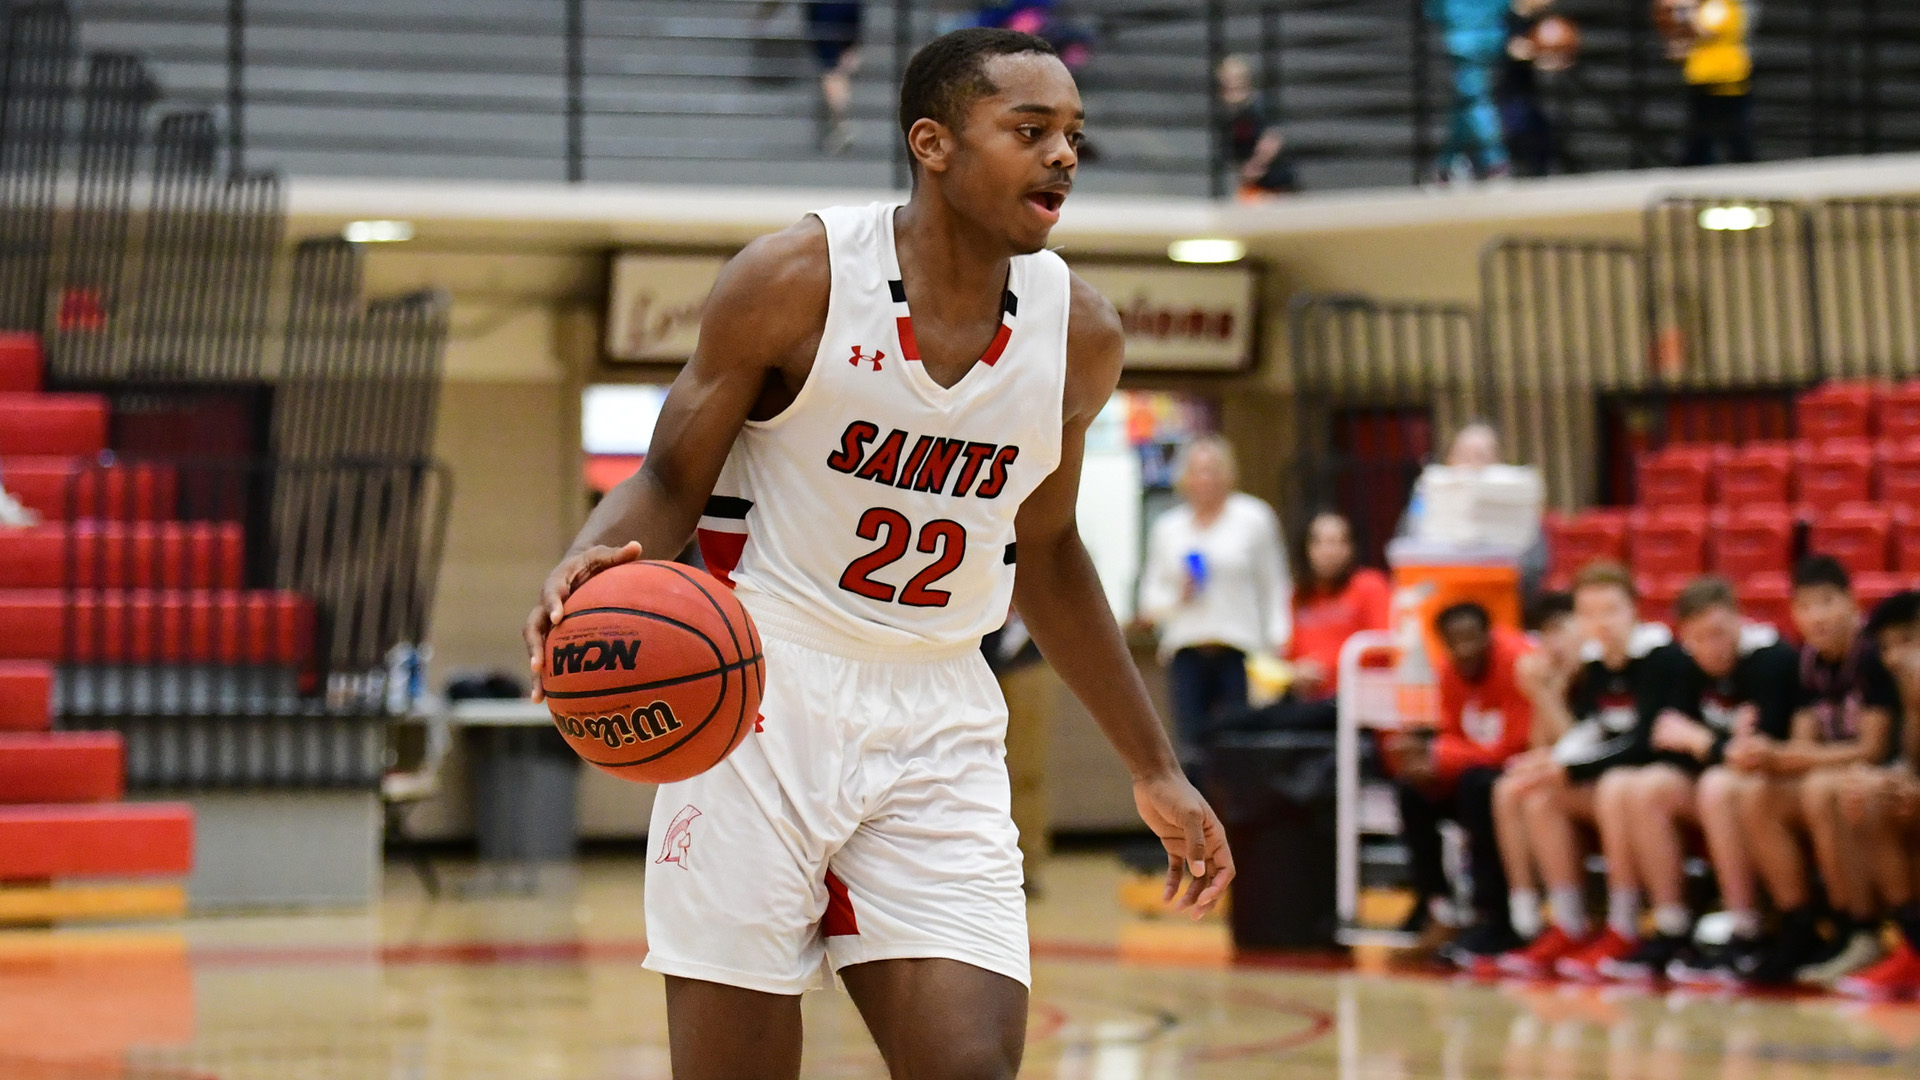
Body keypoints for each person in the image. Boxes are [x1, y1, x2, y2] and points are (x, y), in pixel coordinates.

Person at [520, 29, 1233, 1079]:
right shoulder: (797, 278)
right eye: (1029, 131)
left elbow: (1047, 547)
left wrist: (1154, 765)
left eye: (1074, 135)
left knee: (967, 1065)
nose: (1063, 156)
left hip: (940, 707)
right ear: (932, 143)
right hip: (757, 696)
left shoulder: (1078, 333)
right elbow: (670, 478)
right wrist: (588, 562)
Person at [1587, 576, 1797, 983]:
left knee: (1719, 786)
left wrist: (1703, 741)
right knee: (1638, 786)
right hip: (1716, 780)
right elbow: (1665, 739)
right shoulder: (1686, 667)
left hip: (1772, 782)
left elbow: (1757, 750)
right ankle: (1670, 924)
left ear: (1740, 620)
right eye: (1700, 638)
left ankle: (1746, 928)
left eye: (1720, 633)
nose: (1712, 646)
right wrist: (1714, 745)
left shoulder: (1771, 659)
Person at [1490, 562, 1692, 979]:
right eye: (1589, 613)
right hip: (1617, 776)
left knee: (1615, 788)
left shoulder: (1662, 657)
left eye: (1611, 610)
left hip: (1667, 776)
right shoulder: (1597, 664)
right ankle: (1565, 922)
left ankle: (1629, 923)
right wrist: (1553, 761)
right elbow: (1589, 730)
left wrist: (1569, 766)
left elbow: (1643, 741)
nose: (1600, 622)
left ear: (1634, 609)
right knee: (1536, 792)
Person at [1726, 557, 1899, 986]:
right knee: (1755, 793)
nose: (1816, 616)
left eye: (1826, 603)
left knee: (1822, 790)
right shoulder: (1808, 663)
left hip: (1883, 772)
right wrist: (1769, 755)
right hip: (1836, 771)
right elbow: (1804, 746)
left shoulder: (1872, 654)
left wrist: (1792, 757)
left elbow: (1873, 749)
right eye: (1804, 607)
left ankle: (1860, 927)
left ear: (1851, 602)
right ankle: (1799, 923)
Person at [1387, 601, 1535, 949]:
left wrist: (1441, 755)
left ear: (1489, 635)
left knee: (1476, 786)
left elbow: (1513, 746)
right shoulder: (1449, 671)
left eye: (1472, 638)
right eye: (1454, 642)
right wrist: (1427, 762)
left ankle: (1492, 914)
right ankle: (1437, 904)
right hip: (1475, 773)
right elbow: (1452, 734)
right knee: (1412, 791)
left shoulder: (1517, 664)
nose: (1464, 649)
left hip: (1518, 777)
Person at [1138, 436, 1290, 760]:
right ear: (1185, 477)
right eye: (1198, 471)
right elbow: (1151, 600)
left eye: (1213, 470)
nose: (1205, 478)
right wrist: (1180, 594)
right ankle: (1195, 812)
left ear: (1228, 474)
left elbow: (1274, 585)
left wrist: (1279, 644)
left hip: (1240, 651)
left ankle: (1238, 812)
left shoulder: (1253, 518)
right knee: (1192, 749)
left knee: (1240, 747)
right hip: (1187, 650)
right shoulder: (1168, 528)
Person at [1468, 590, 1582, 972]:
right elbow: (1542, 744)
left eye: (1561, 631)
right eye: (1545, 635)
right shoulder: (1557, 675)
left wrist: (1542, 694)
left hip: (1598, 778)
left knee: (1535, 797)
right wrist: (1544, 690)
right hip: (1572, 774)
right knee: (1506, 788)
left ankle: (1570, 921)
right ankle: (1525, 918)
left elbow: (1574, 746)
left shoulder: (1597, 671)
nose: (1553, 644)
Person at [1836, 591, 1920, 1001]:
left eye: (1907, 641)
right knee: (1865, 800)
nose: (1894, 656)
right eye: (1886, 647)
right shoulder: (1906, 687)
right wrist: (1890, 781)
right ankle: (1915, 945)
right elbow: (1910, 763)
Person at [1285, 510, 1392, 708]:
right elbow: (1288, 654)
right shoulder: (1298, 596)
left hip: (1355, 700)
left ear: (1350, 548)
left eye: (1336, 542)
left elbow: (1383, 647)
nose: (1328, 551)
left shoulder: (1370, 585)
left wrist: (1329, 670)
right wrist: (1295, 673)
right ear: (1306, 549)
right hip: (1306, 702)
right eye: (1319, 543)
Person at [1424, 0, 1513, 181]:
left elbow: (1433, 10)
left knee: (1474, 101)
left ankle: (1495, 161)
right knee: (1467, 102)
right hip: (1490, 37)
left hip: (1462, 41)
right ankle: (1445, 165)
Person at [1677, 0, 1754, 166]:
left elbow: (1708, 31)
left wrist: (1690, 15)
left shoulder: (1718, 5)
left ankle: (1742, 161)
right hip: (1710, 76)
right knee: (1703, 125)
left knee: (1729, 125)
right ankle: (1695, 162)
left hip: (1720, 76)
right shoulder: (1713, 5)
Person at [1215, 55, 1298, 200]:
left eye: (1236, 80)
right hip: (1253, 187)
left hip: (1276, 185)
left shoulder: (1259, 108)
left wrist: (1255, 164)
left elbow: (1272, 141)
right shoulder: (1229, 117)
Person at [806, 3, 865, 154]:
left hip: (826, 9)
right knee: (839, 68)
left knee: (831, 71)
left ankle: (842, 124)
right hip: (848, 7)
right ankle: (838, 123)